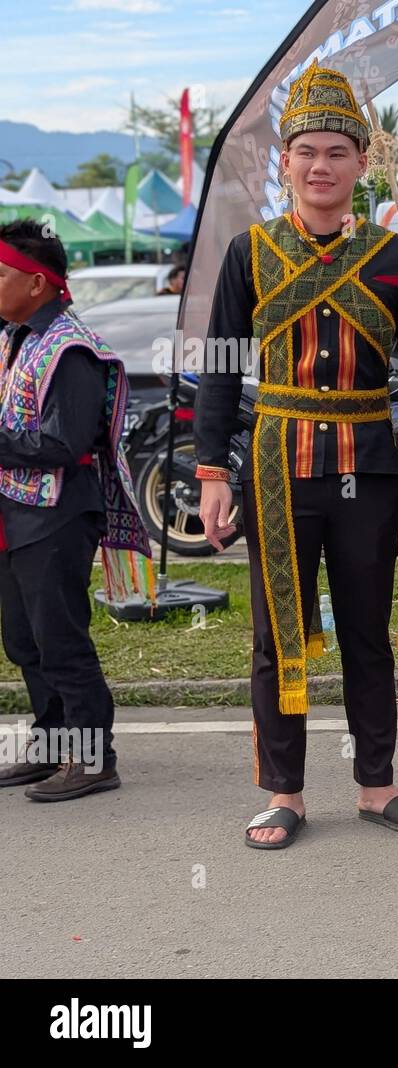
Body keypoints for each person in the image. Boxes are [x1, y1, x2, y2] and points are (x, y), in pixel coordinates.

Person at [195, 62, 398, 849]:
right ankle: (285, 792)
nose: (321, 165)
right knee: (279, 633)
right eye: (306, 151)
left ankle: (378, 785)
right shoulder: (250, 254)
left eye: (337, 150)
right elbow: (225, 366)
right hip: (273, 468)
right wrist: (210, 474)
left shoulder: (396, 258)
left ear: (361, 163)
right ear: (288, 162)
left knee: (365, 631)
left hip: (367, 467)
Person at [0, 220, 152, 801]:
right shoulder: (18, 337)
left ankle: (94, 760)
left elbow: (66, 444)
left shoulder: (70, 349)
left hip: (58, 512)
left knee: (60, 640)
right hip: (20, 513)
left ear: (37, 284)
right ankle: (52, 748)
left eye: (4, 274)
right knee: (25, 641)